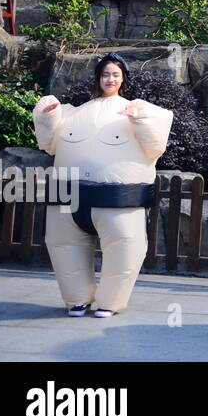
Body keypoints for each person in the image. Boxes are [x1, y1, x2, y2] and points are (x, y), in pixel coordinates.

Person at [31, 54, 172, 317]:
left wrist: (140, 119)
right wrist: (48, 117)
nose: (110, 79)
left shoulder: (138, 110)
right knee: (63, 246)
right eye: (106, 74)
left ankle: (110, 302)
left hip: (117, 199)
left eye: (116, 75)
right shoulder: (74, 113)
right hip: (67, 196)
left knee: (124, 247)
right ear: (98, 77)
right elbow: (48, 144)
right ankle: (77, 299)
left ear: (124, 79)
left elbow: (155, 147)